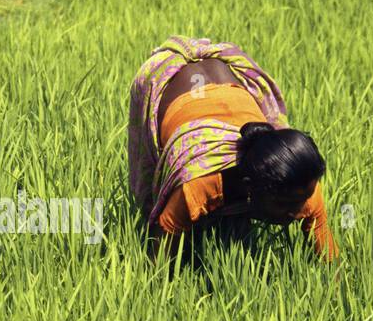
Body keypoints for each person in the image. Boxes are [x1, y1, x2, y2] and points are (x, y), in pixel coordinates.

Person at [127, 36, 337, 261]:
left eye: (302, 201)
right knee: (150, 188)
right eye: (285, 204)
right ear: (249, 186)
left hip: (226, 77)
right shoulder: (198, 184)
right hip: (167, 82)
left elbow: (328, 256)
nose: (297, 212)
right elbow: (160, 249)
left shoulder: (301, 182)